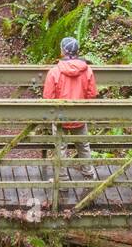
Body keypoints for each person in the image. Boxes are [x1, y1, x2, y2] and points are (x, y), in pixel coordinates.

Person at [42, 36, 98, 178]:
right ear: (78, 51)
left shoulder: (54, 72)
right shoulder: (87, 71)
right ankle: (88, 173)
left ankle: (62, 178)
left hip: (60, 117)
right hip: (79, 116)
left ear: (62, 51)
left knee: (60, 147)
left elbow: (48, 97)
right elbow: (92, 94)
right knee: (83, 146)